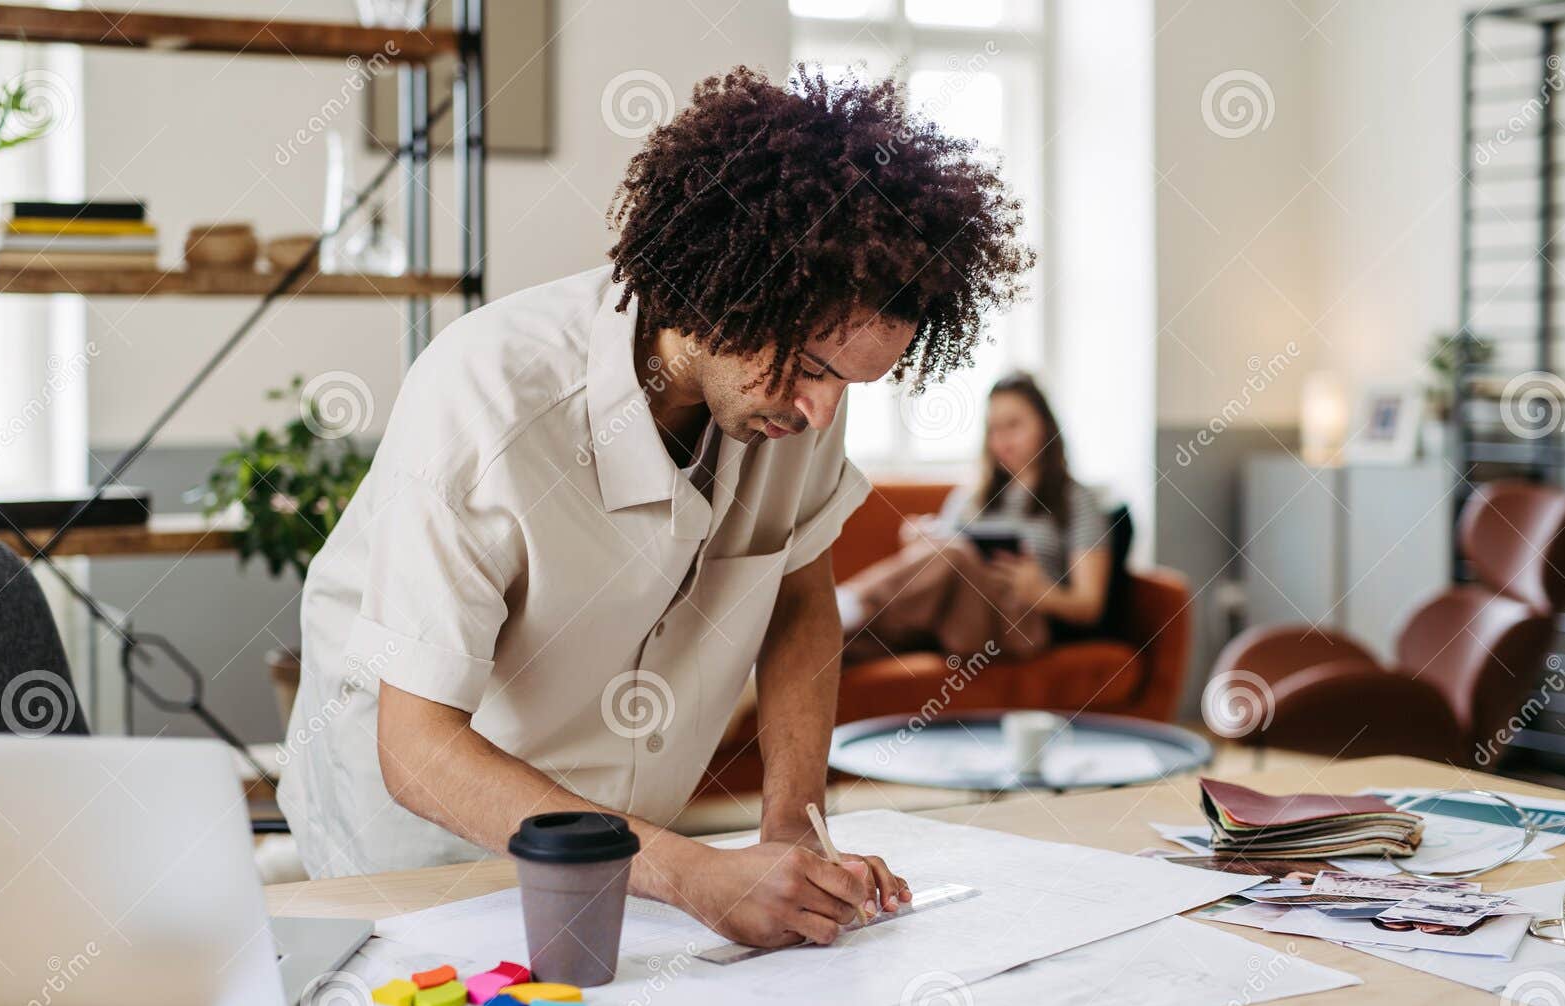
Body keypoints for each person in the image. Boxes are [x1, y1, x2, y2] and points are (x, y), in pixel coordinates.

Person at [277, 66, 1032, 951]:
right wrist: (689, 870)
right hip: (430, 835)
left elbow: (797, 599)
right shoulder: (485, 397)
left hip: (627, 837)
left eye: (851, 382)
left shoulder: (798, 392)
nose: (824, 414)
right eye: (817, 369)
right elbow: (417, 749)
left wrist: (792, 820)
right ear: (724, 290)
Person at [837, 373, 1113, 662]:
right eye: (993, 429)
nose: (1003, 439)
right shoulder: (971, 497)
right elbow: (936, 564)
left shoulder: (1076, 500)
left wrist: (1040, 591)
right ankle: (825, 638)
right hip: (958, 619)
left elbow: (1089, 606)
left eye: (1013, 425)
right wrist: (918, 540)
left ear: (1045, 426)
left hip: (1021, 624)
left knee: (954, 554)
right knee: (853, 644)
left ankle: (847, 603)